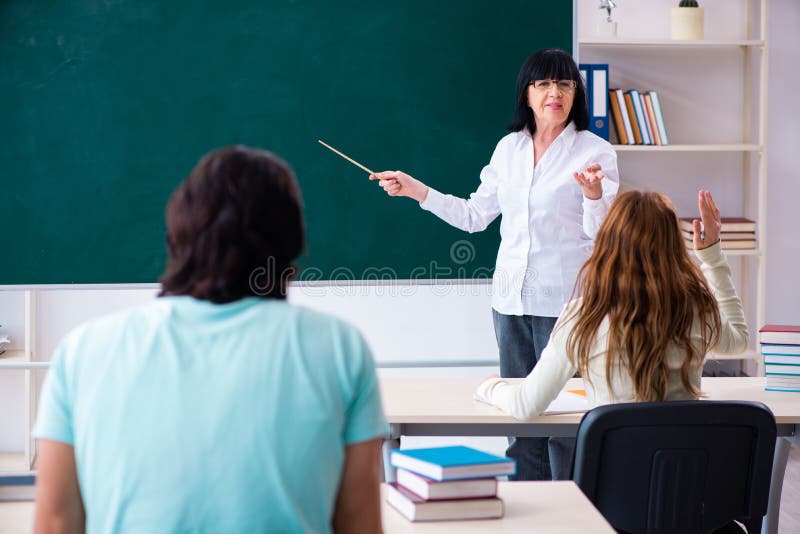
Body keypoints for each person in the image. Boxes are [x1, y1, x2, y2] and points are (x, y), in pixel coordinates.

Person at [33, 146, 387, 533]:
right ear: (291, 241)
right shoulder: (340, 349)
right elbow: (359, 525)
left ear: (178, 232)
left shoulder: (82, 351)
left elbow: (55, 522)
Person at [371, 48, 619, 480]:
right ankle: (531, 513)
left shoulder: (594, 151)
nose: (553, 93)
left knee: (564, 422)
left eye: (563, 84)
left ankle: (571, 513)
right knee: (520, 421)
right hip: (510, 303)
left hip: (565, 305)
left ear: (575, 93)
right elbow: (473, 216)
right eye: (542, 84)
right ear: (527, 94)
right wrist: (416, 190)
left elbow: (604, 236)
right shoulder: (509, 149)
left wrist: (595, 197)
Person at [474, 189, 748, 429]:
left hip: (609, 487)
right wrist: (712, 255)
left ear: (607, 246)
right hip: (685, 481)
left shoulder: (583, 317)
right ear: (674, 247)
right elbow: (738, 341)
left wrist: (491, 387)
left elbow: (526, 405)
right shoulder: (695, 309)